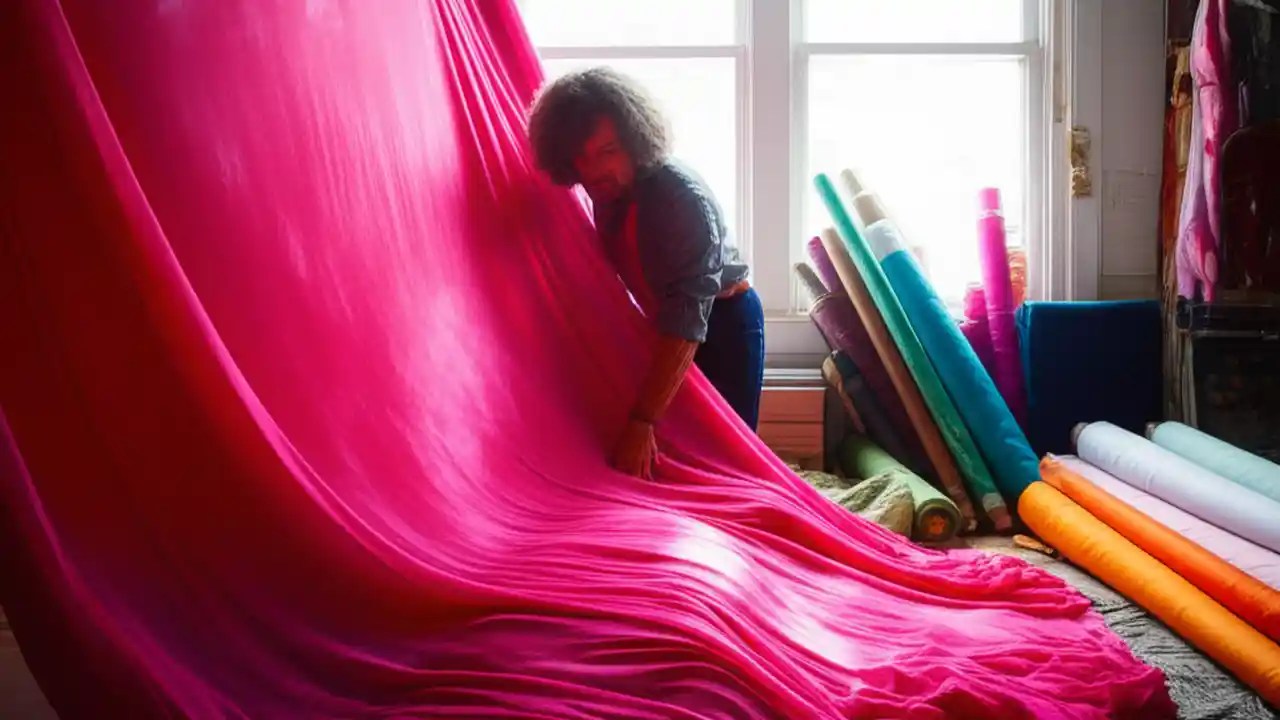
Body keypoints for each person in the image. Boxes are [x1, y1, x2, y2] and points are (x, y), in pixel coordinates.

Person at [527, 66, 765, 479]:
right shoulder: (609, 190)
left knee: (731, 468)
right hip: (668, 325)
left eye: (608, 151)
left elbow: (689, 319)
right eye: (582, 157)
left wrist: (643, 420)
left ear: (635, 142)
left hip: (724, 324)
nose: (595, 170)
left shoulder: (679, 201)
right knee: (678, 467)